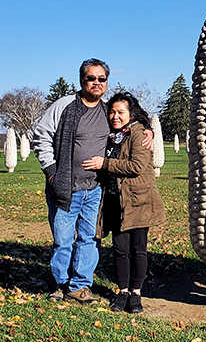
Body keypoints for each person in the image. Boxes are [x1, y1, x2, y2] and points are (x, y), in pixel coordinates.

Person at [32, 58, 152, 303]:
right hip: (66, 187)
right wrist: (52, 171)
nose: (96, 83)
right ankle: (59, 284)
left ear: (106, 83)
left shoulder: (107, 111)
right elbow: (41, 135)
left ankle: (79, 286)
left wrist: (148, 128)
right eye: (91, 78)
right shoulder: (65, 106)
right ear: (82, 80)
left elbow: (130, 121)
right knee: (63, 241)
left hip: (95, 189)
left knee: (89, 239)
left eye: (101, 79)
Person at [82, 92, 165, 314]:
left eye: (120, 112)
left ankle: (136, 293)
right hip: (113, 199)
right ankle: (122, 291)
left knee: (138, 249)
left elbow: (136, 166)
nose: (115, 116)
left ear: (131, 113)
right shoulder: (110, 134)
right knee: (120, 250)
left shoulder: (138, 133)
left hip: (138, 200)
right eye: (112, 112)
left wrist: (104, 163)